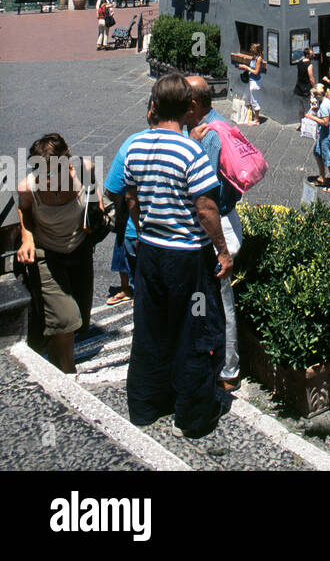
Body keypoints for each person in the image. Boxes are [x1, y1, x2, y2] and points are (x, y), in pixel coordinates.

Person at [123, 72, 231, 436]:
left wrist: (145, 229)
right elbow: (205, 209)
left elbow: (132, 200)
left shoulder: (135, 146)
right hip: (188, 259)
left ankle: (144, 406)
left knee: (150, 329)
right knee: (195, 331)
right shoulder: (191, 152)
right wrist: (223, 250)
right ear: (188, 108)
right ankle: (194, 415)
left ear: (153, 106)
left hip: (151, 254)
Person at [15, 134, 103, 373]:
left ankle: (54, 358)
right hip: (48, 255)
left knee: (80, 320)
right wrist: (27, 237)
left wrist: (97, 212)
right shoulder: (28, 187)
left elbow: (96, 198)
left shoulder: (85, 170)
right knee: (66, 319)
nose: (47, 180)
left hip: (79, 251)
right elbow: (23, 211)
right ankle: (67, 373)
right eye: (41, 174)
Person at [184, 76, 244, 393]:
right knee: (215, 298)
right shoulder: (219, 122)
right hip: (225, 219)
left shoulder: (207, 135)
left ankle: (228, 367)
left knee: (221, 300)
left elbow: (200, 194)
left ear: (193, 105)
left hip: (216, 226)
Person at [105, 109, 160, 307]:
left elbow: (112, 189)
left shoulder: (132, 143)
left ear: (149, 113)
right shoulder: (191, 143)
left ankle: (129, 290)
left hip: (137, 229)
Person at [306, 82, 330, 191]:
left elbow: (325, 122)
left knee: (329, 159)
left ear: (321, 94)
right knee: (317, 152)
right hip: (328, 131)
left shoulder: (325, 104)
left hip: (328, 133)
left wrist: (312, 117)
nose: (315, 97)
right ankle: (322, 177)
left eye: (316, 95)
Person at [238, 43, 266, 124]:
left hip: (255, 82)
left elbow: (256, 72)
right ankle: (250, 115)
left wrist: (246, 67)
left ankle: (256, 120)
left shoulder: (259, 59)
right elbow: (251, 68)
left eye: (252, 50)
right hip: (250, 80)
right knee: (247, 98)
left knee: (254, 100)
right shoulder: (254, 58)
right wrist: (243, 68)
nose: (251, 51)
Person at [294, 46, 316, 119]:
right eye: (312, 54)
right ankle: (308, 125)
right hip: (306, 89)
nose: (313, 55)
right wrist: (315, 87)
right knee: (307, 109)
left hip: (299, 88)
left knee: (301, 109)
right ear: (307, 55)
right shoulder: (309, 65)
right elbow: (311, 78)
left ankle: (302, 124)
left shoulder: (299, 63)